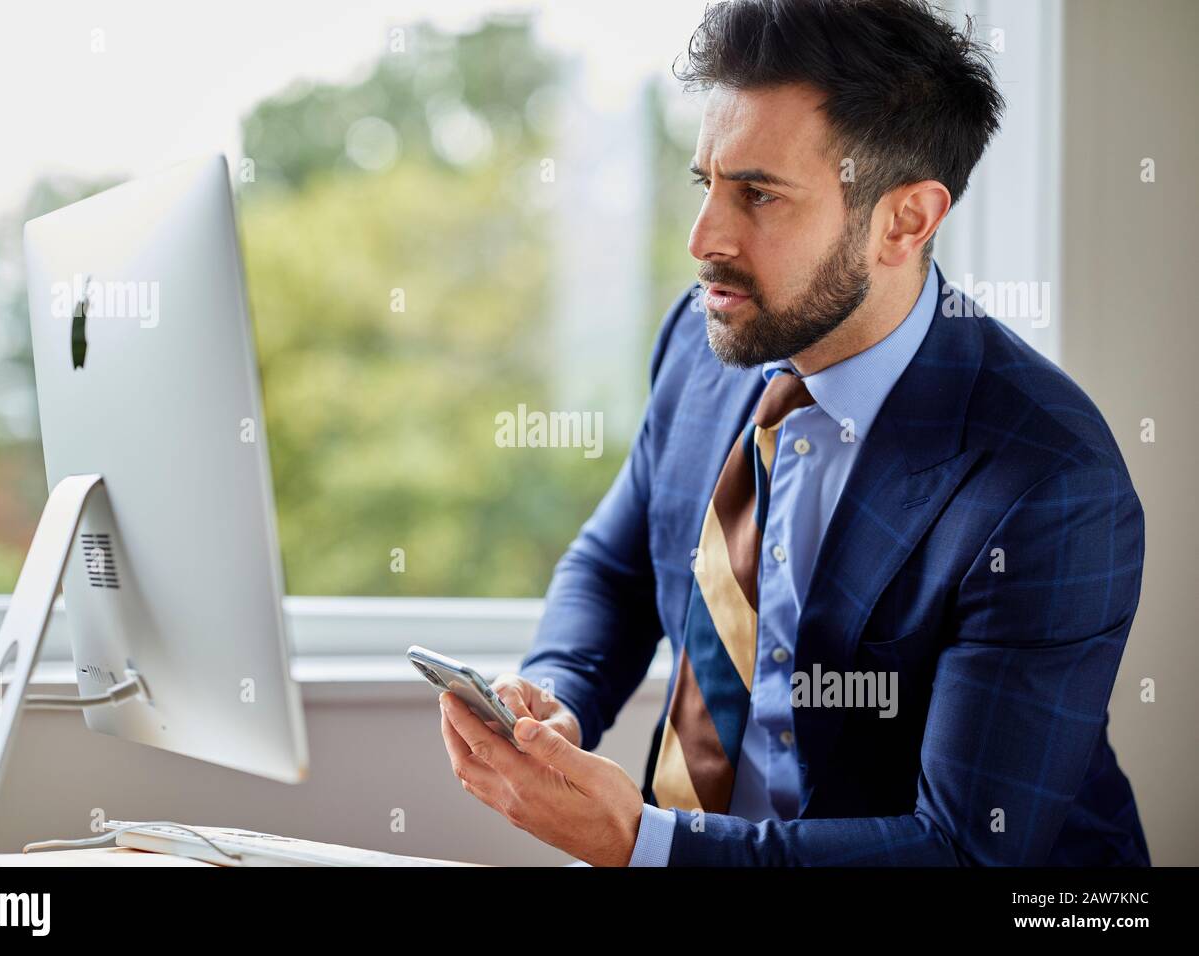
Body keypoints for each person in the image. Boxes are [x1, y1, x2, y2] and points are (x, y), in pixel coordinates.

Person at [436, 0, 1149, 867]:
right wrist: (554, 696)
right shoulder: (705, 344)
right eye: (707, 183)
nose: (704, 240)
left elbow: (964, 853)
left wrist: (643, 845)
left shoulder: (1048, 481)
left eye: (759, 195)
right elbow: (619, 567)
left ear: (906, 220)